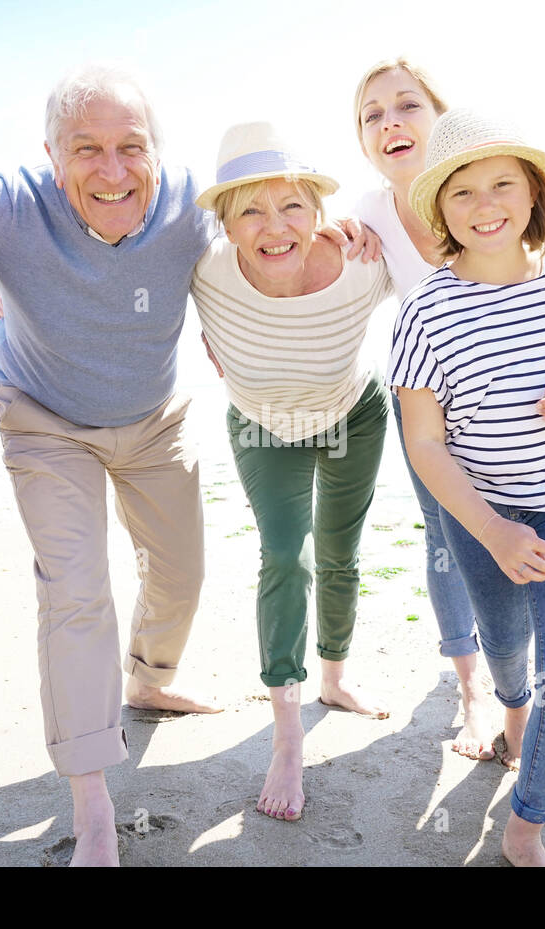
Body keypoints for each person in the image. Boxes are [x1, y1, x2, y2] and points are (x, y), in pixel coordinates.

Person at [0, 65, 375, 866]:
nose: (113, 171)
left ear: (156, 150)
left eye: (129, 147)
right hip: (46, 423)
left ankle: (148, 677)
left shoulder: (184, 203)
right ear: (49, 154)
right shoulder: (5, 207)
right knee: (77, 592)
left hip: (155, 418)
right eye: (87, 150)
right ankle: (92, 799)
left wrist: (339, 233)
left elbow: (264, 224)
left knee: (182, 573)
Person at [391, 109, 545, 866]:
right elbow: (424, 442)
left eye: (502, 184)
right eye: (462, 192)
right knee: (505, 641)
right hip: (477, 511)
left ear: (532, 194)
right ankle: (512, 708)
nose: (484, 204)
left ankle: (526, 824)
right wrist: (492, 529)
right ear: (441, 211)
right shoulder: (425, 308)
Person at [191, 123, 392, 822]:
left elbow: (453, 245)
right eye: (250, 209)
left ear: (317, 208)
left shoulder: (367, 260)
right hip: (262, 425)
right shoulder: (203, 267)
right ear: (223, 221)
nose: (275, 228)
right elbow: (113, 261)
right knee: (287, 554)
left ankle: (333, 678)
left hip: (353, 417)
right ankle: (286, 734)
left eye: (293, 206)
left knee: (340, 552)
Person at [352, 57, 501, 761]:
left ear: (439, 117)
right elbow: (308, 276)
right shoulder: (368, 216)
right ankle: (472, 686)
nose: (391, 123)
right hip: (428, 396)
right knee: (446, 536)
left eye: (406, 105)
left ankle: (526, 684)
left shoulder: (485, 186)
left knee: (521, 529)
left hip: (515, 390)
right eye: (372, 115)